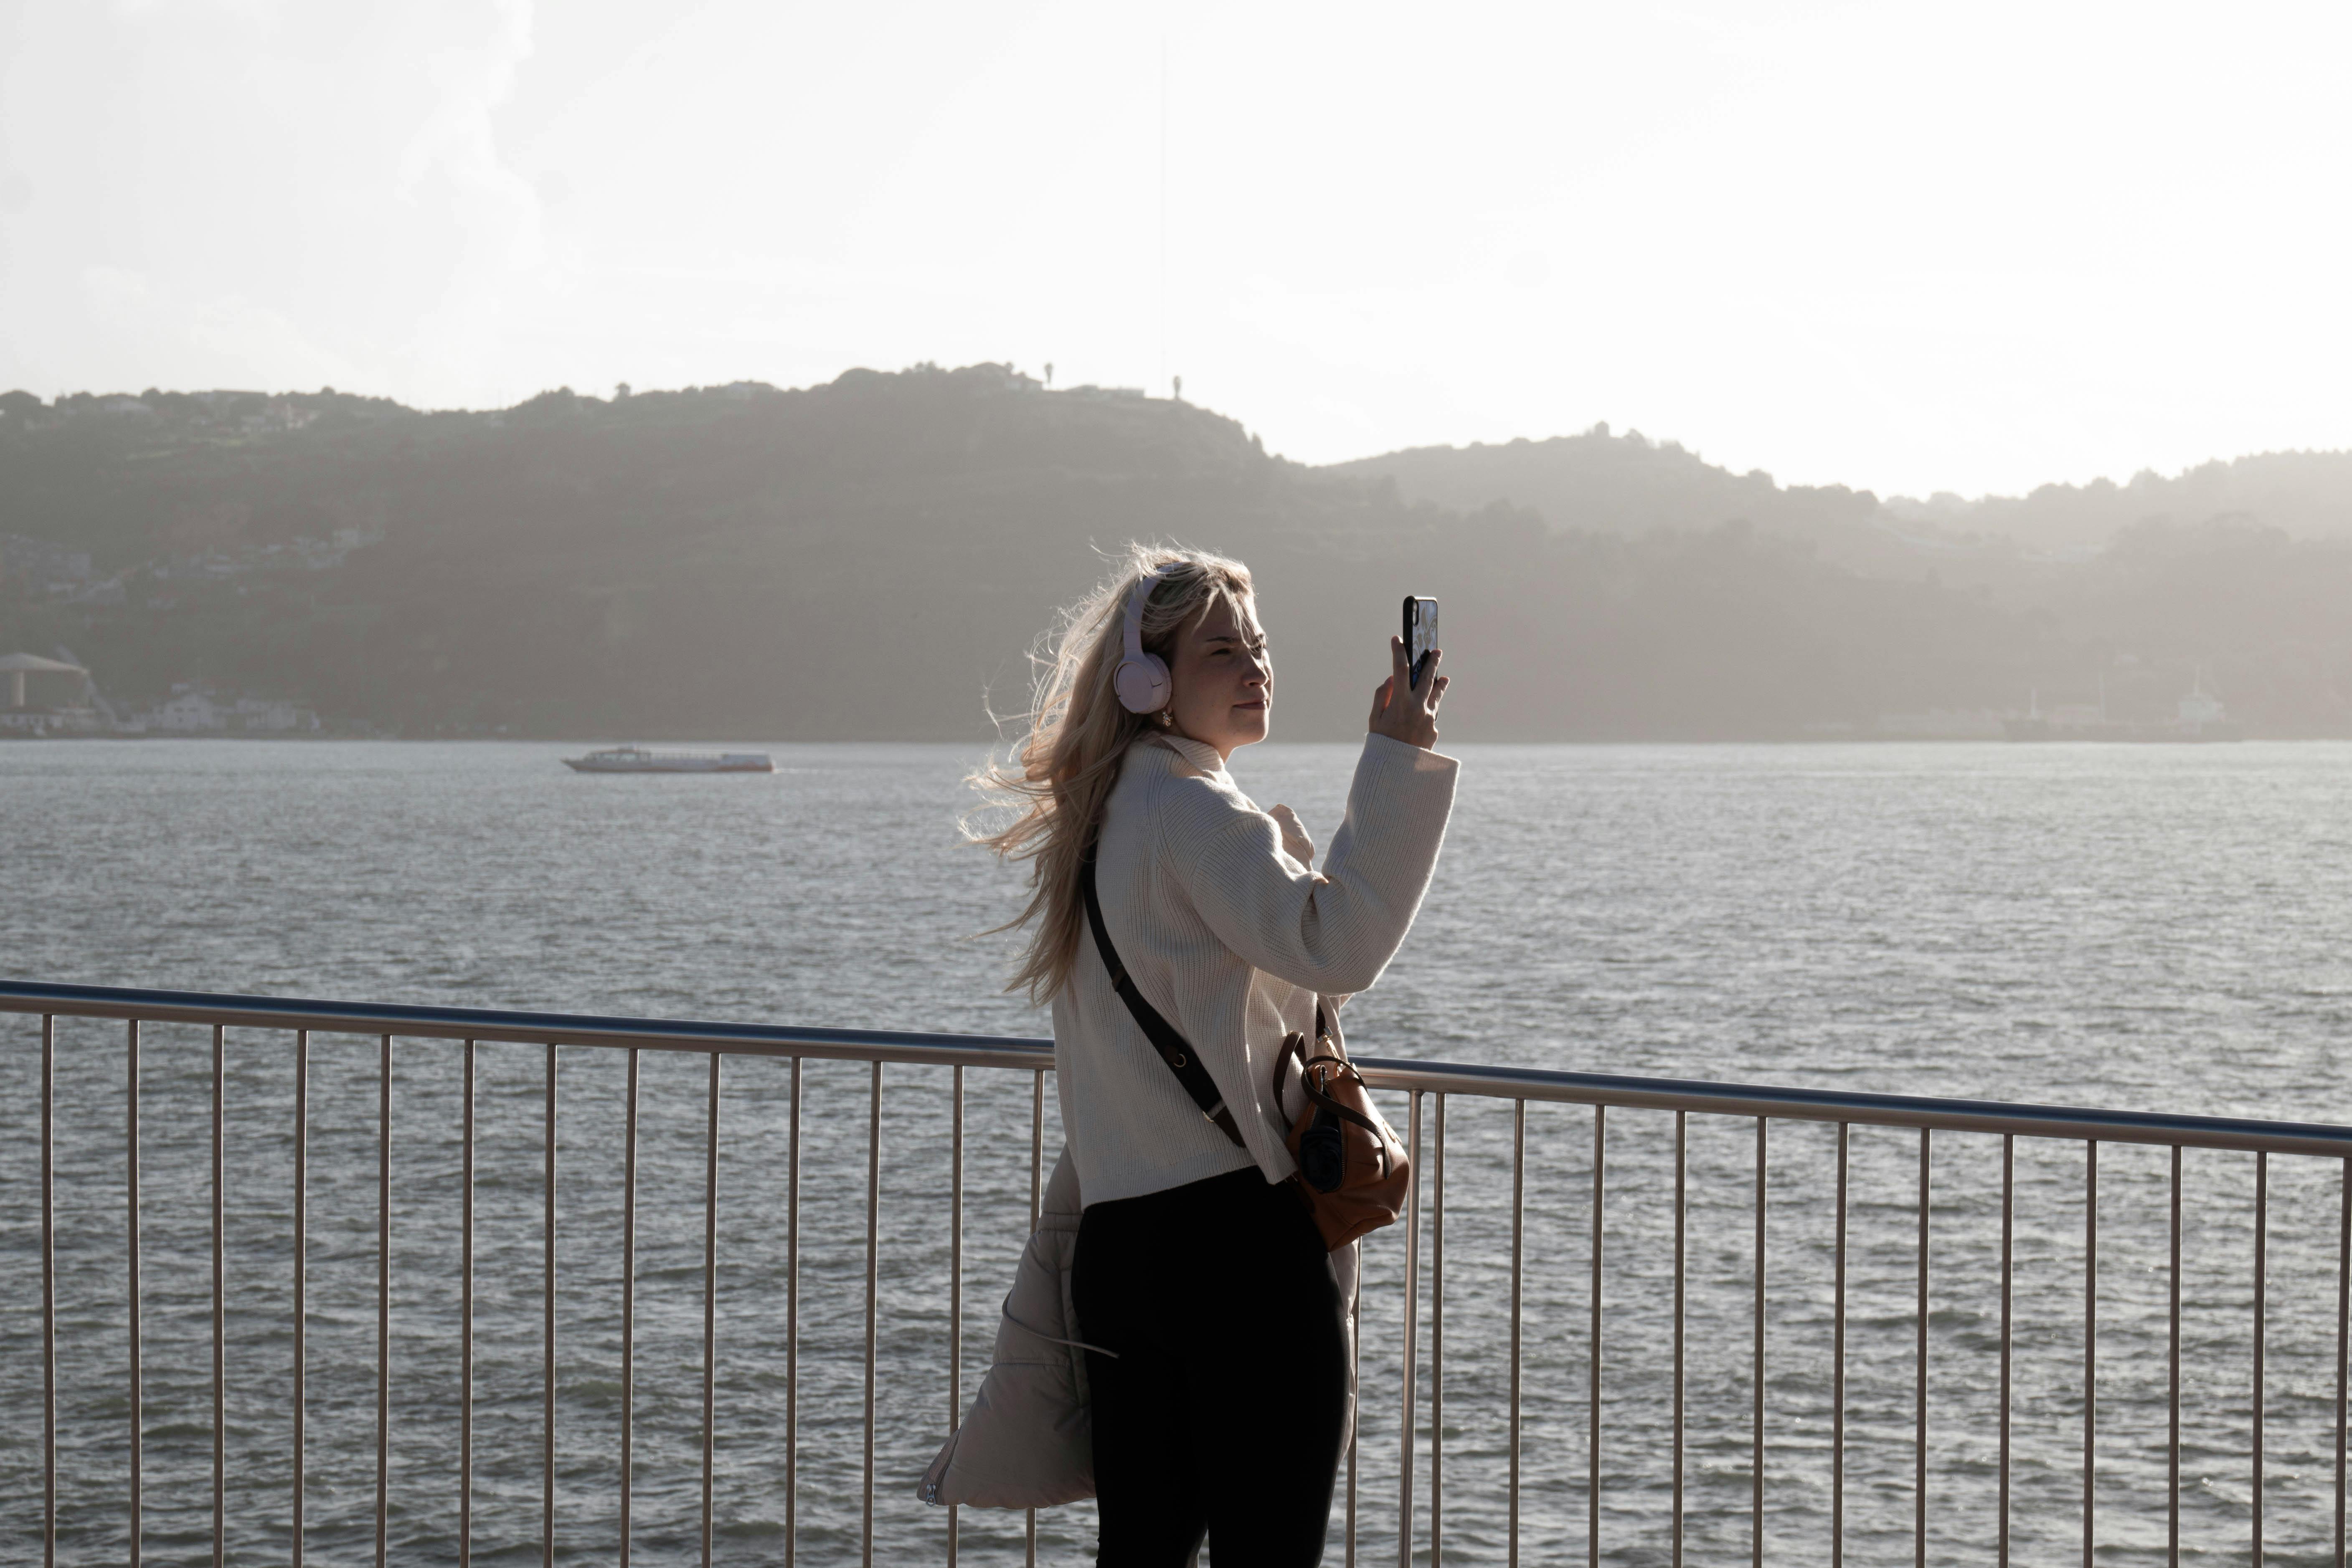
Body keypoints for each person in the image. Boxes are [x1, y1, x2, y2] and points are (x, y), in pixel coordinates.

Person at [968, 544, 1456, 1565]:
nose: (1254, 667)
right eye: (1221, 650)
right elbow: (1338, 944)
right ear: (1145, 683)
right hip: (1237, 1259)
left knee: (1142, 1552)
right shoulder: (1190, 809)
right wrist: (1395, 758)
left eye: (1260, 646)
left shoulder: (1105, 820)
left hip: (1125, 1255)